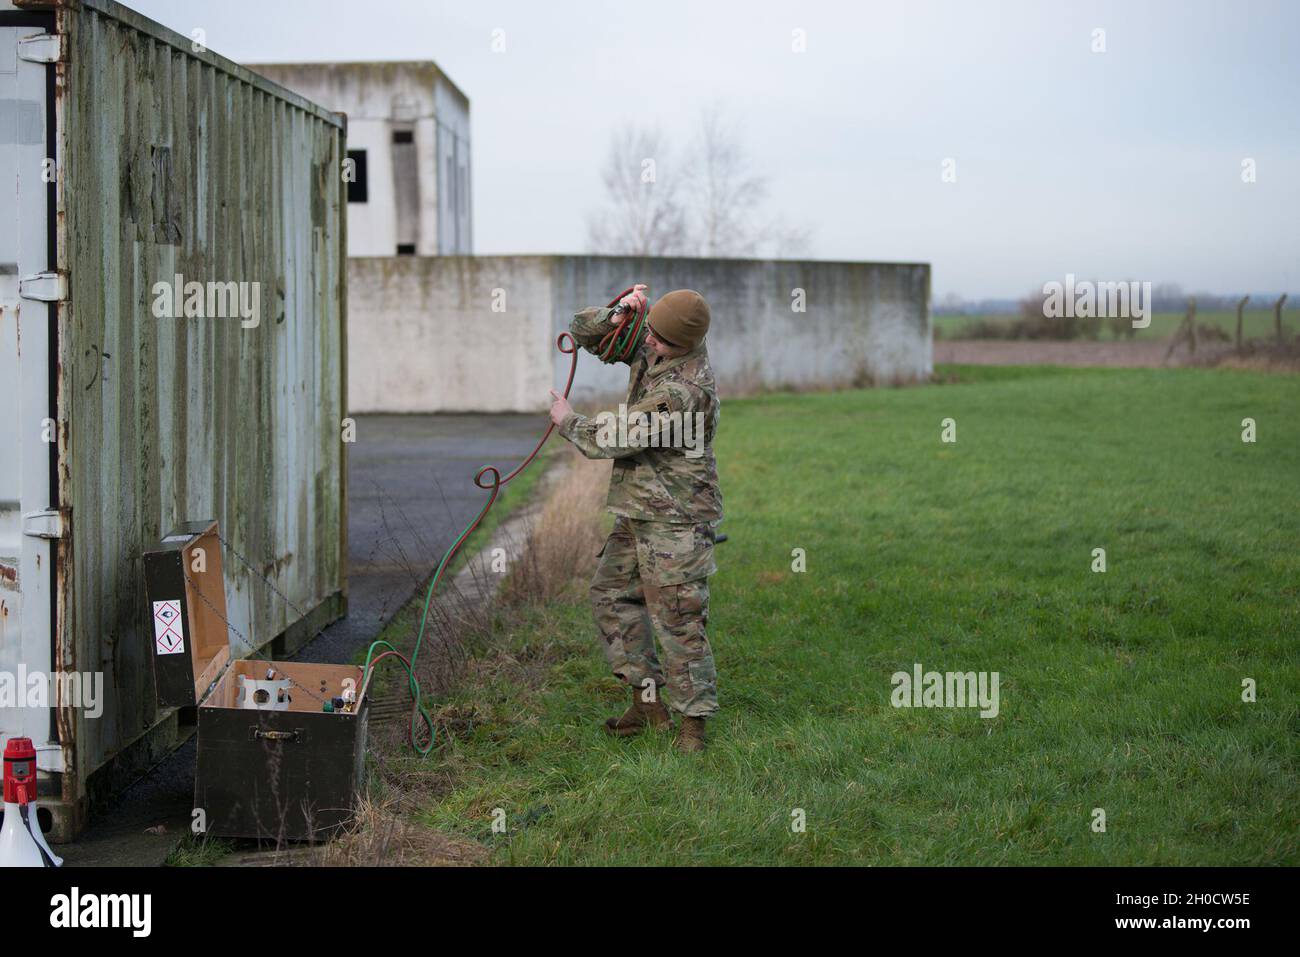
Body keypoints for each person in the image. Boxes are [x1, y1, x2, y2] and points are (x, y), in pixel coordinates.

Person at [548, 285, 723, 752]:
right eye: (648, 332)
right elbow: (581, 332)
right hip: (640, 510)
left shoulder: (685, 390)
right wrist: (616, 314)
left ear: (682, 345)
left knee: (679, 621)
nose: (647, 342)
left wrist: (568, 420)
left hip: (676, 520)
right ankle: (647, 704)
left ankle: (693, 729)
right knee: (612, 594)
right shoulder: (656, 340)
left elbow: (619, 436)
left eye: (659, 341)